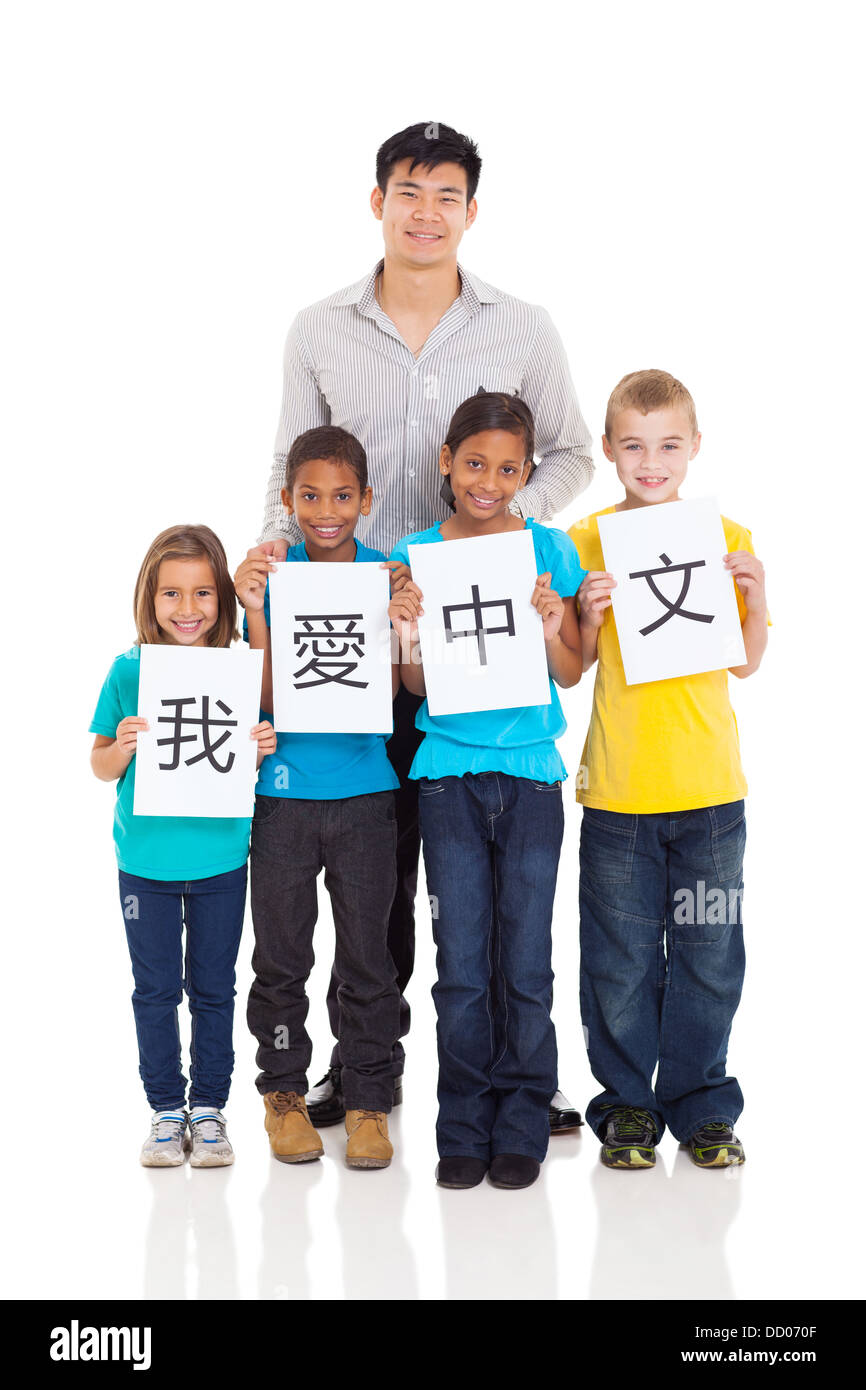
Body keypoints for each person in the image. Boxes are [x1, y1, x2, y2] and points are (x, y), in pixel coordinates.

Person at [256, 120, 593, 1134]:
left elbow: (568, 454)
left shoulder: (522, 327)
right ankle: (370, 1072)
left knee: (491, 865)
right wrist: (269, 569)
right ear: (377, 201)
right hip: (358, 622)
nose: (425, 210)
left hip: (479, 621)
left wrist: (494, 535)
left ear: (470, 212)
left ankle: (516, 1070)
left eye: (446, 194)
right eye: (408, 190)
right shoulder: (318, 328)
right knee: (377, 857)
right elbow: (288, 472)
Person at [570, 369, 769, 1170]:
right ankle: (626, 1107)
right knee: (617, 959)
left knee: (709, 951)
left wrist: (757, 594)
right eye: (634, 446)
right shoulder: (586, 541)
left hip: (711, 794)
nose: (651, 463)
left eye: (668, 446)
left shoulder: (727, 536)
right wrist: (585, 615)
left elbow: (748, 663)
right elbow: (570, 668)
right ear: (610, 449)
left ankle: (703, 1105)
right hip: (620, 791)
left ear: (693, 449)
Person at [388, 393, 586, 1189]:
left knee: (525, 958)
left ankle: (523, 1118)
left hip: (532, 773)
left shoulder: (549, 549)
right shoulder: (417, 553)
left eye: (509, 469)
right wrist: (404, 627)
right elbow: (412, 684)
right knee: (462, 961)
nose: (489, 482)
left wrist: (549, 624)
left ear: (528, 473)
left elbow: (572, 668)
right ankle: (462, 1125)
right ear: (446, 461)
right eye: (475, 464)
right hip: (447, 776)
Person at [236, 426, 402, 1170]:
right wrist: (261, 614)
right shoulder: (272, 578)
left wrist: (403, 621)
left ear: (367, 500)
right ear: (287, 500)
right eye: (309, 496)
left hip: (368, 794)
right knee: (281, 957)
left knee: (368, 960)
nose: (325, 511)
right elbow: (263, 696)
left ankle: (369, 1100)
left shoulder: (386, 573)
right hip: (283, 798)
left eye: (342, 496)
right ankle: (283, 1093)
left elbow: (395, 696)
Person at [89, 525, 276, 1167]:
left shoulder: (235, 668)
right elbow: (99, 766)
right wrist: (123, 745)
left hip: (222, 858)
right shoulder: (129, 669)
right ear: (150, 597)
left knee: (215, 988)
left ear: (221, 598)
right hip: (145, 863)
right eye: (172, 593)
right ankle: (166, 1111)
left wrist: (256, 749)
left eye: (202, 593)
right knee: (155, 989)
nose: (188, 609)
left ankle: (211, 1111)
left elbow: (234, 768)